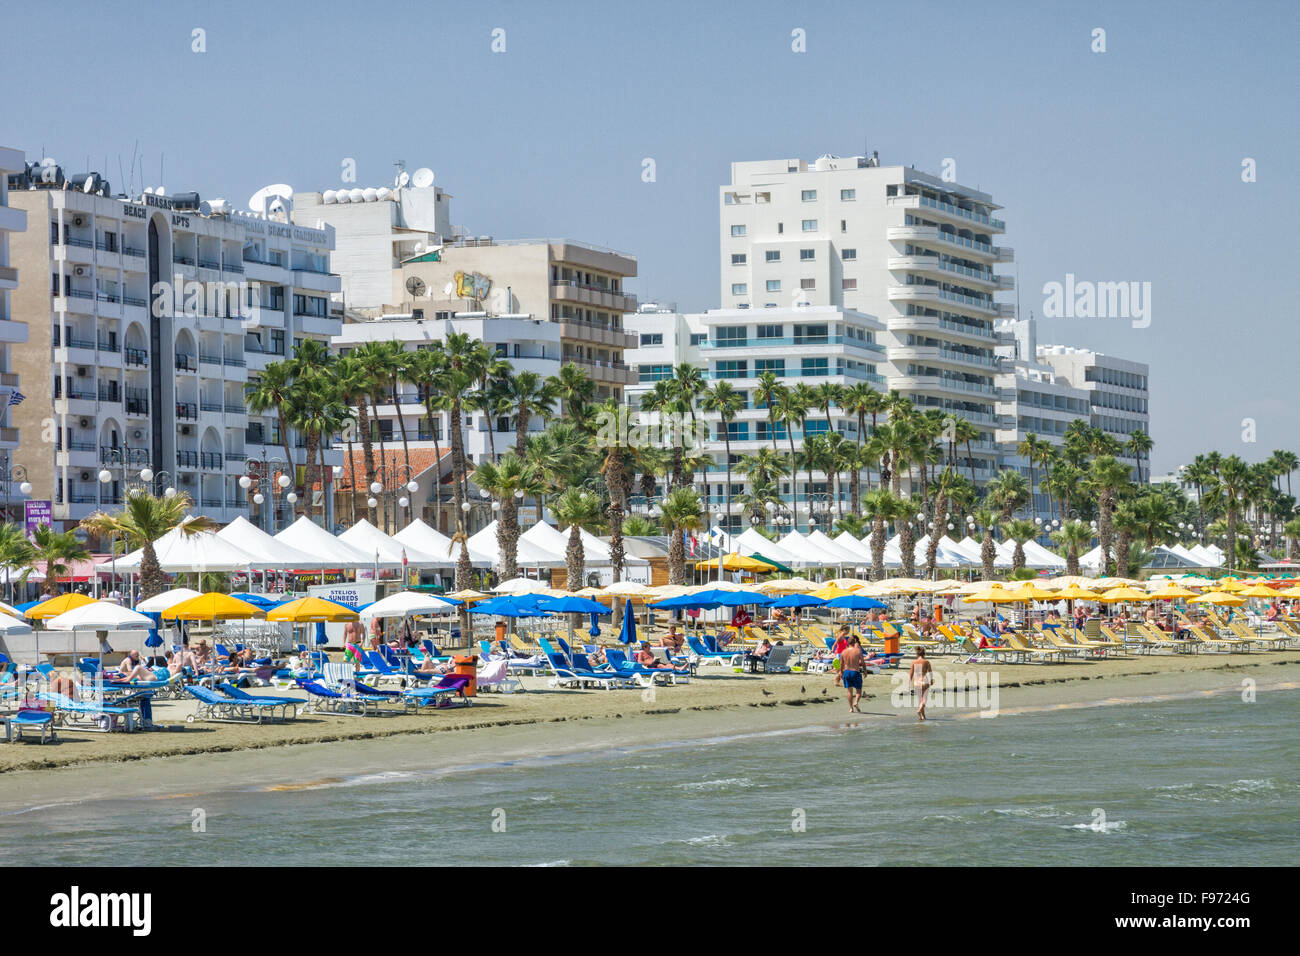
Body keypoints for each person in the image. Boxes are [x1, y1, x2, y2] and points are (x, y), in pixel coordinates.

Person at [839, 636, 865, 713]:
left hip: (847, 672)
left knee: (849, 691)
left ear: (848, 643)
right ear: (854, 643)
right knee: (859, 690)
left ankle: (851, 708)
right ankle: (856, 702)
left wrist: (841, 672)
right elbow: (863, 662)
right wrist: (865, 671)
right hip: (855, 672)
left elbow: (841, 664)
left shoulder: (844, 652)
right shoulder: (857, 651)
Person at [909, 647, 933, 721]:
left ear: (917, 654)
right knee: (924, 700)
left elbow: (911, 673)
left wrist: (909, 683)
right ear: (924, 654)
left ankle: (923, 716)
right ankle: (919, 710)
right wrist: (931, 680)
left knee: (920, 700)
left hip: (916, 682)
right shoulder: (926, 662)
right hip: (924, 681)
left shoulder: (913, 662)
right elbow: (930, 672)